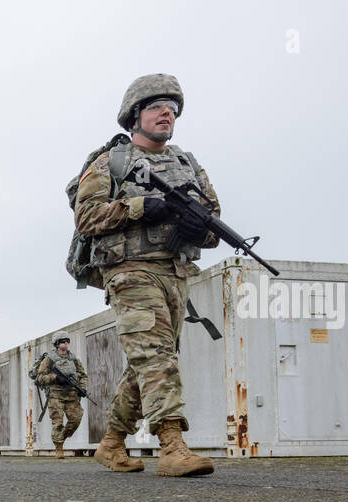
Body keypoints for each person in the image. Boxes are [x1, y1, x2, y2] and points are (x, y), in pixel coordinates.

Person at [73, 74, 219, 477]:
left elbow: (213, 219)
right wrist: (139, 208)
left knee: (149, 363)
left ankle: (112, 443)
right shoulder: (110, 163)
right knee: (157, 358)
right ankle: (172, 446)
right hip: (129, 273)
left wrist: (198, 230)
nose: (166, 114)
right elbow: (86, 218)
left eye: (172, 109)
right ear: (135, 115)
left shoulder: (187, 164)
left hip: (175, 272)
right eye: (157, 107)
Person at [33, 335, 88, 457]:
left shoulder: (73, 358)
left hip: (72, 394)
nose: (66, 343)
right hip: (56, 395)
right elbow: (40, 377)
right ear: (57, 343)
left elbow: (83, 375)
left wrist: (82, 388)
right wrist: (56, 378)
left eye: (67, 341)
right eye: (63, 341)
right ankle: (59, 447)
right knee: (57, 422)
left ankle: (61, 437)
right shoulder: (50, 359)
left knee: (76, 419)